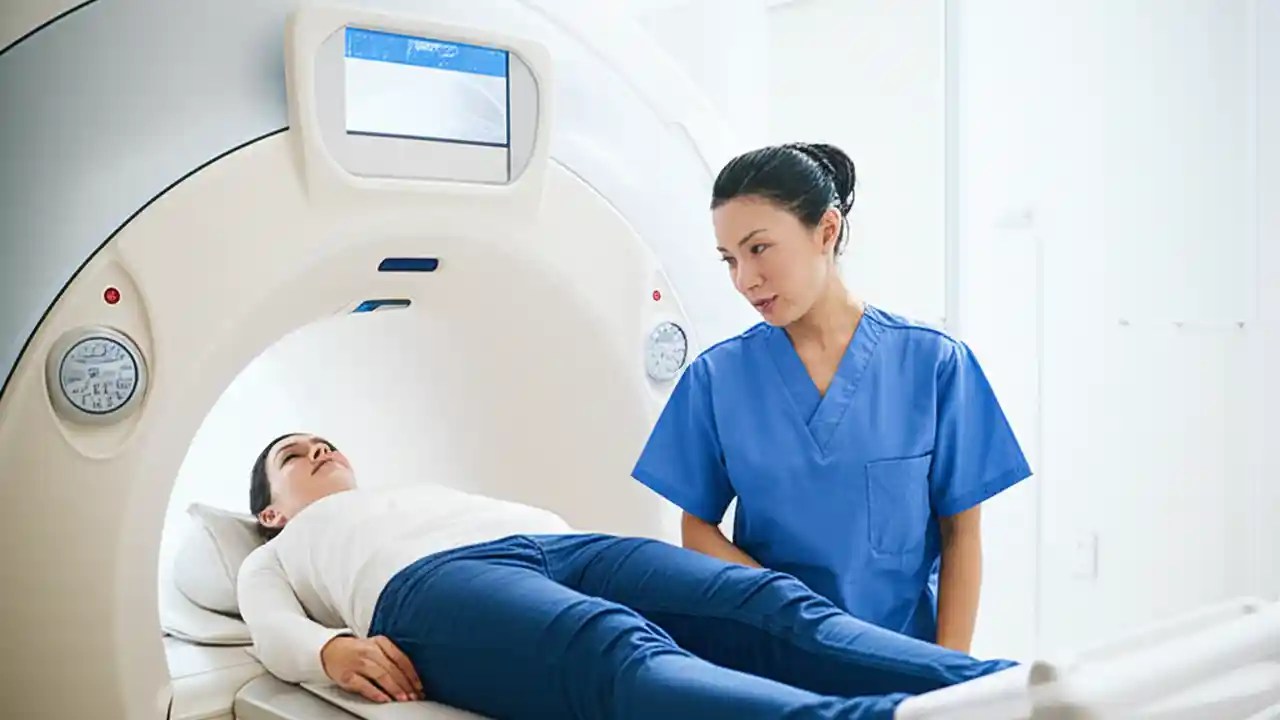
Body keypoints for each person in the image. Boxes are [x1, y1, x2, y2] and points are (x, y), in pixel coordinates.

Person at [239, 432, 1017, 720]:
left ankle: (996, 688)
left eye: (323, 442)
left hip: (559, 544)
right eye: (292, 457)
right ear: (272, 510)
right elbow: (273, 629)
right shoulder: (277, 552)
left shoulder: (411, 489)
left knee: (762, 599)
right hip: (430, 587)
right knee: (614, 648)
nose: (316, 452)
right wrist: (330, 653)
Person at [631, 143, 1033, 653]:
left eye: (758, 249)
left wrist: (950, 673)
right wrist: (788, 612)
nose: (744, 279)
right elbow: (697, 525)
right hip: (771, 662)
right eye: (729, 259)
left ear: (826, 230)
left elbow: (962, 537)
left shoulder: (934, 365)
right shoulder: (718, 378)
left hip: (903, 662)